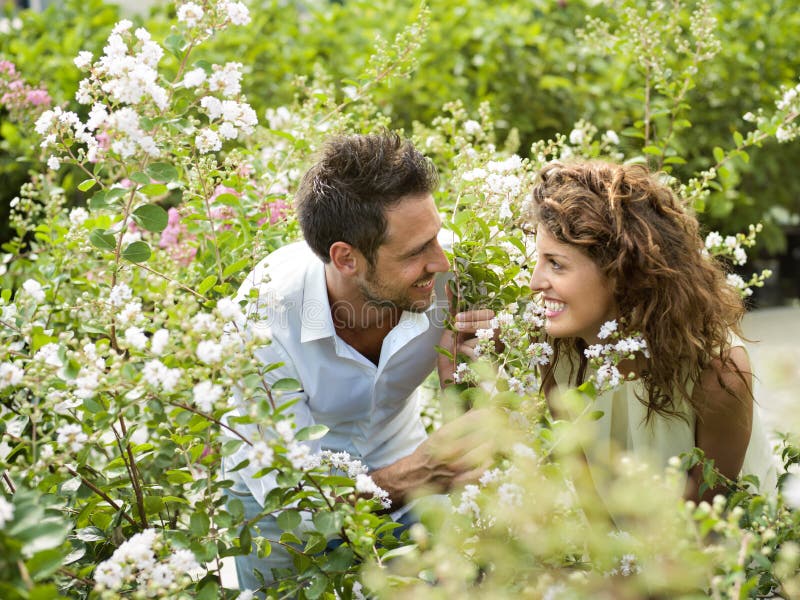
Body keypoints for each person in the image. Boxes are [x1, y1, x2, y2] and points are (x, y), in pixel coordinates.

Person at [222, 132, 495, 591]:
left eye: (436, 238)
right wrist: (421, 471)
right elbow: (300, 505)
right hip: (281, 517)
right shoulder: (259, 320)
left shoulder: (450, 272)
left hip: (407, 473)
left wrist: (466, 383)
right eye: (415, 253)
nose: (441, 261)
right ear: (346, 258)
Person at [446, 159, 777, 502]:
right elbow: (590, 498)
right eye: (538, 260)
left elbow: (702, 524)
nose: (534, 283)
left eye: (556, 264)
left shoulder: (719, 371)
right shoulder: (554, 348)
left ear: (621, 271)